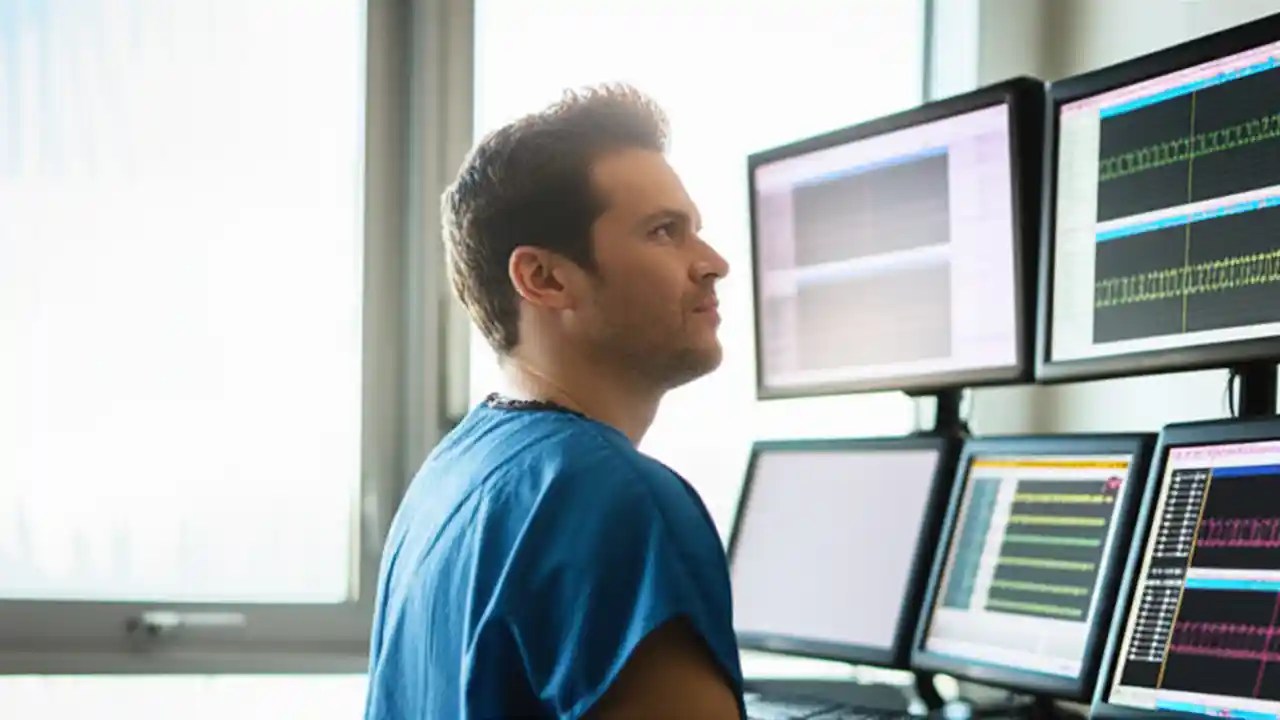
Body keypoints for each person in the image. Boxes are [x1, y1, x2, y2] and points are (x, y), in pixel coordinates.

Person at [363, 83, 743, 719]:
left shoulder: (450, 475)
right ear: (543, 278)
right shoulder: (617, 499)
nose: (712, 263)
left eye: (695, 231)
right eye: (663, 232)